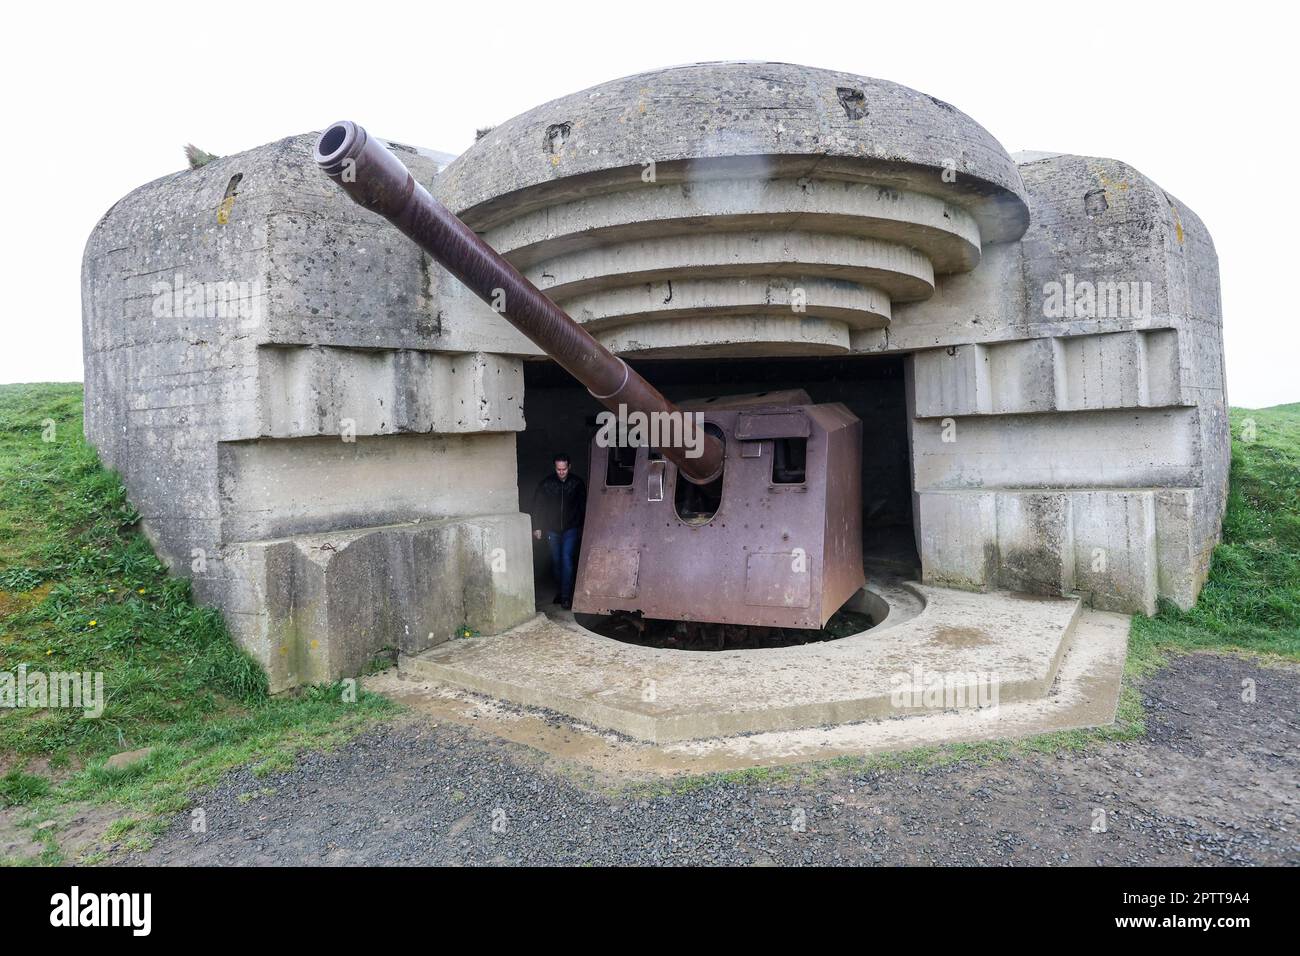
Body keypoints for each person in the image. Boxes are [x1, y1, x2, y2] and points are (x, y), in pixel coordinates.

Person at [532, 453, 586, 609]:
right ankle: (560, 591)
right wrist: (537, 526)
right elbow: (538, 506)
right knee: (556, 562)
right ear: (554, 468)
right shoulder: (547, 484)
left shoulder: (577, 483)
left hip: (571, 528)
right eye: (558, 469)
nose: (561, 472)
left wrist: (582, 527)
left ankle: (565, 596)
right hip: (552, 529)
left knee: (567, 559)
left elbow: (583, 506)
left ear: (569, 467)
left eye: (564, 469)